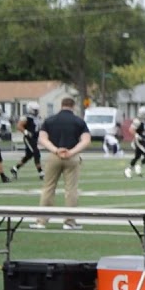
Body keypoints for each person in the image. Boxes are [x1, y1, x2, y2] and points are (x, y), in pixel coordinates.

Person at [31, 97, 91, 230]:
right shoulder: (78, 121)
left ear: (61, 105)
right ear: (73, 106)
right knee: (71, 190)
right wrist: (72, 151)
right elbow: (86, 140)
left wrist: (56, 150)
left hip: (54, 155)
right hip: (72, 156)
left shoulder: (50, 120)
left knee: (48, 188)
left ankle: (41, 221)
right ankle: (69, 222)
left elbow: (42, 139)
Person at [12, 104, 44, 180]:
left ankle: (14, 169)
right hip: (29, 138)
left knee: (28, 156)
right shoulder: (26, 117)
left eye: (37, 110)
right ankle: (41, 172)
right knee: (36, 153)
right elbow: (19, 126)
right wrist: (26, 132)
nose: (36, 111)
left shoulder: (38, 117)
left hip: (35, 138)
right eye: (35, 110)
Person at [125, 107, 145, 178]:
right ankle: (139, 166)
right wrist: (136, 135)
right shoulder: (137, 121)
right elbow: (131, 129)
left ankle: (128, 170)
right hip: (139, 141)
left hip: (144, 140)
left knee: (137, 157)